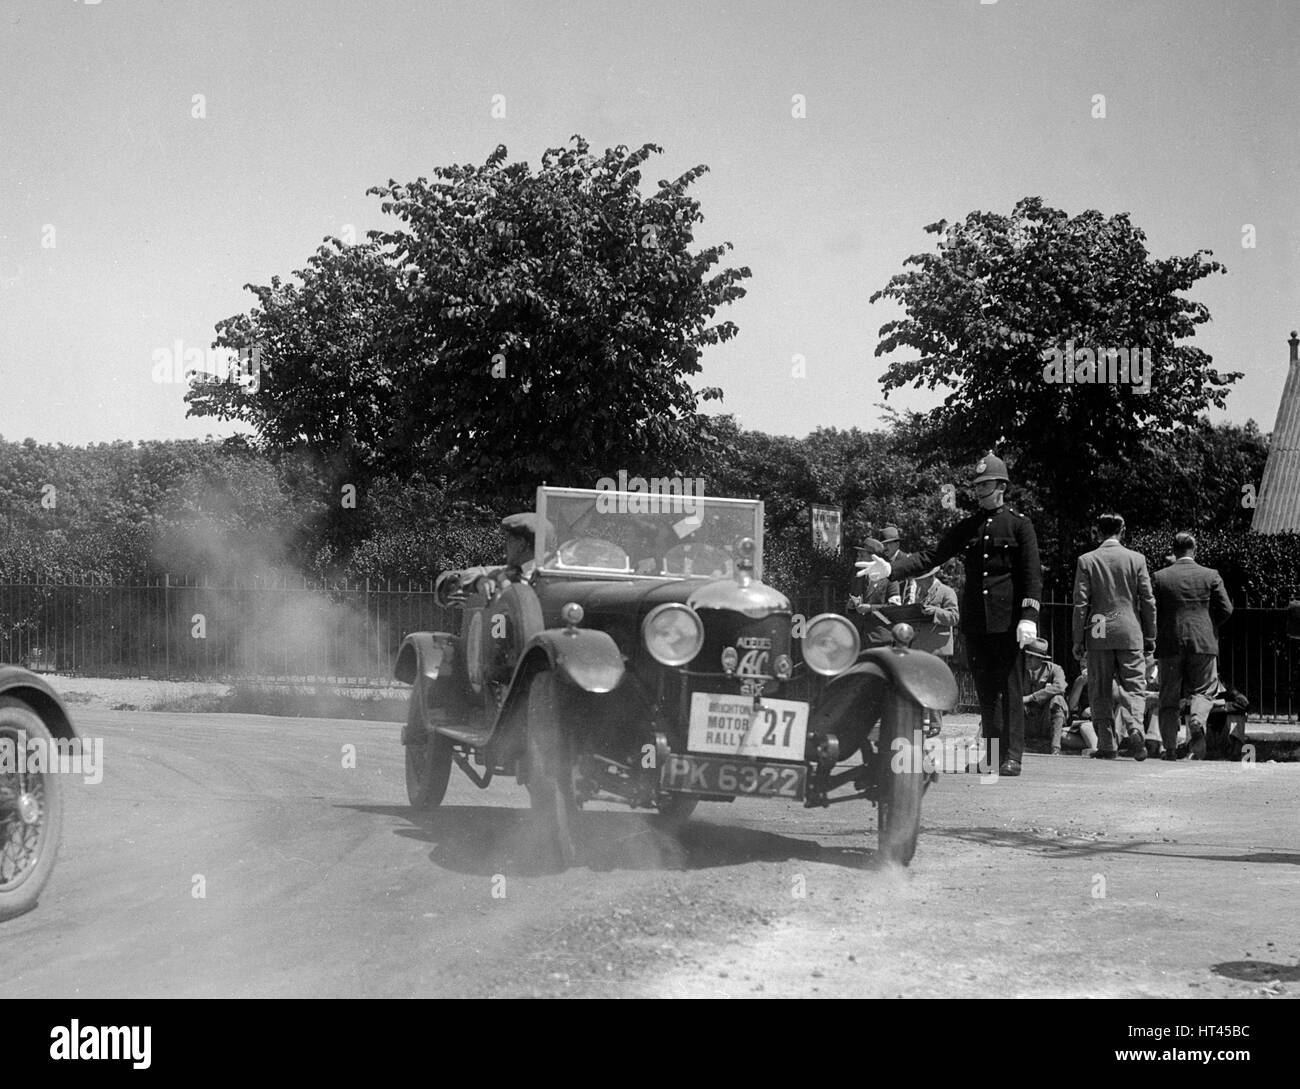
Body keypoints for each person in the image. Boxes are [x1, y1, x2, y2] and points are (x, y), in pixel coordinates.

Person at [890, 453, 1042, 778]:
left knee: (1010, 688)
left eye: (985, 484)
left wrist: (1029, 615)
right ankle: (992, 756)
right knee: (986, 690)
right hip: (977, 623)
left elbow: (1032, 575)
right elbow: (933, 555)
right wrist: (891, 569)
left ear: (1001, 486)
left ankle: (1012, 756)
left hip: (1008, 622)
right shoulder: (969, 526)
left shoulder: (1019, 524)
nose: (979, 490)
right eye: (976, 485)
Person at [1071, 512, 1156, 760]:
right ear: (1123, 530)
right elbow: (1148, 600)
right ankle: (1135, 729)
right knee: (1134, 686)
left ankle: (1107, 742)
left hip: (1099, 630)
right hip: (1130, 629)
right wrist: (1150, 634)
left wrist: (1078, 638)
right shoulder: (1137, 559)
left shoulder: (1087, 560)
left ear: (1098, 531)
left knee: (1100, 687)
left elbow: (1081, 603)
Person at [1151, 531, 1234, 761]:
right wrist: (1208, 625)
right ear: (1194, 550)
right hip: (1203, 642)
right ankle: (1197, 719)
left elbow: (1150, 610)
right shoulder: (1211, 575)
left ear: (1173, 551)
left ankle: (1169, 748)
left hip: (1170, 643)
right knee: (1205, 689)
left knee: (1168, 697)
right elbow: (1227, 609)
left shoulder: (1160, 577)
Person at [435, 512, 539, 602]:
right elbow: (447, 580)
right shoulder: (508, 572)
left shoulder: (543, 578)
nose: (504, 546)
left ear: (521, 544)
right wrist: (478, 582)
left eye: (508, 540)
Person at [1022, 638, 1069, 754]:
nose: (1027, 659)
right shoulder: (1019, 670)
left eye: (1031, 657)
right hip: (1024, 716)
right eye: (1026, 656)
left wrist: (1031, 697)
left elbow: (1060, 687)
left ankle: (1055, 748)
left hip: (1045, 717)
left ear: (1040, 659)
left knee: (1058, 700)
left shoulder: (1054, 669)